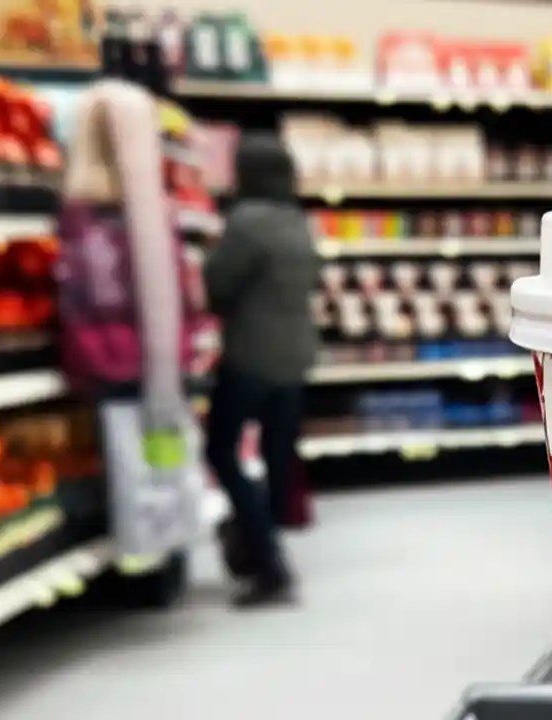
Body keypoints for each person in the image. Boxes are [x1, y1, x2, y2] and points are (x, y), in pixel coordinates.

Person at [203, 132, 318, 608]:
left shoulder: (246, 221)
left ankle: (265, 558)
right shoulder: (297, 220)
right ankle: (261, 546)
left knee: (221, 451)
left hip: (251, 356)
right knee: (276, 457)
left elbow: (217, 286)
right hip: (295, 358)